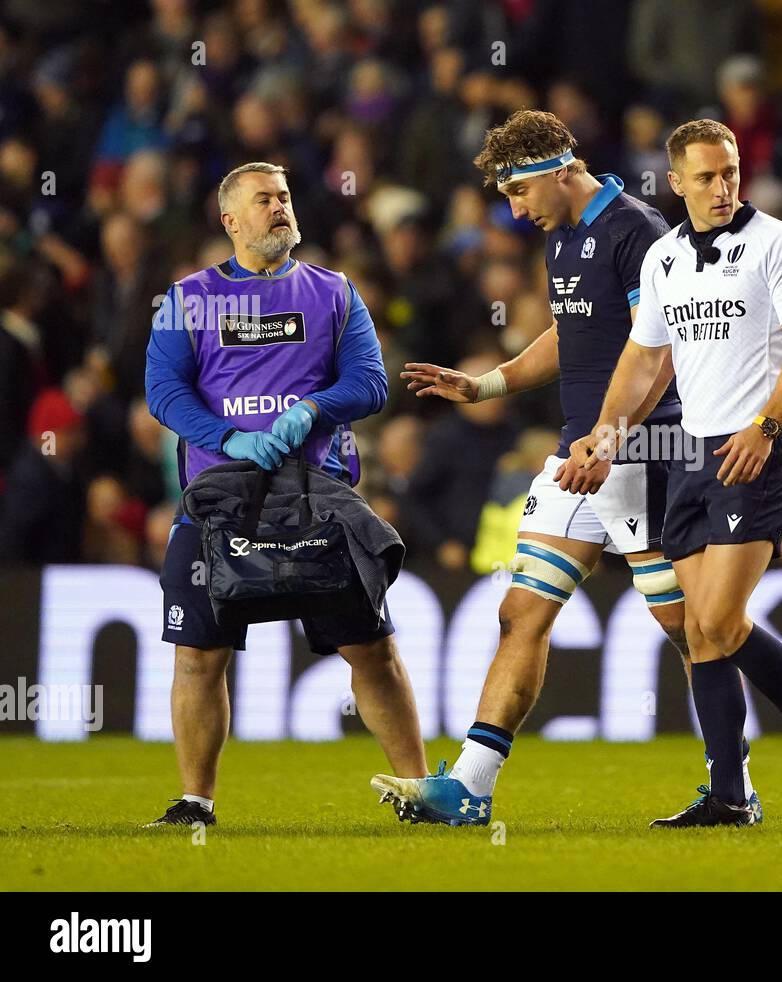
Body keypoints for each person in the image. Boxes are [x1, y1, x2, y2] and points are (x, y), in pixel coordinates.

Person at [370, 111, 766, 826]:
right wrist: (487, 384)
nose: (515, 211)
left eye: (518, 194)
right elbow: (572, 332)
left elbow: (665, 348)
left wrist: (613, 437)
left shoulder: (637, 231)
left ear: (556, 173)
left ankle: (740, 784)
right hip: (579, 455)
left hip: (644, 450)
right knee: (521, 611)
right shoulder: (564, 238)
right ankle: (470, 787)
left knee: (693, 627)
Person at [569, 119, 782, 828]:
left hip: (758, 444)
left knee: (720, 621)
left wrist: (766, 427)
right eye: (706, 176)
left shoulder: (777, 245)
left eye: (729, 172)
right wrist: (604, 436)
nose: (723, 186)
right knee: (701, 633)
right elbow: (643, 359)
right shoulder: (663, 259)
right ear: (677, 183)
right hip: (694, 450)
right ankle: (732, 792)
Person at [143, 162, 427, 827]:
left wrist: (310, 411)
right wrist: (229, 438)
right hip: (220, 499)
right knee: (197, 654)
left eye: (285, 197)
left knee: (372, 650)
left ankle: (420, 794)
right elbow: (165, 391)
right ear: (230, 221)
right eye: (263, 199)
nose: (278, 207)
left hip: (316, 497)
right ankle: (195, 802)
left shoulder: (333, 292)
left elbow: (371, 383)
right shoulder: (187, 298)